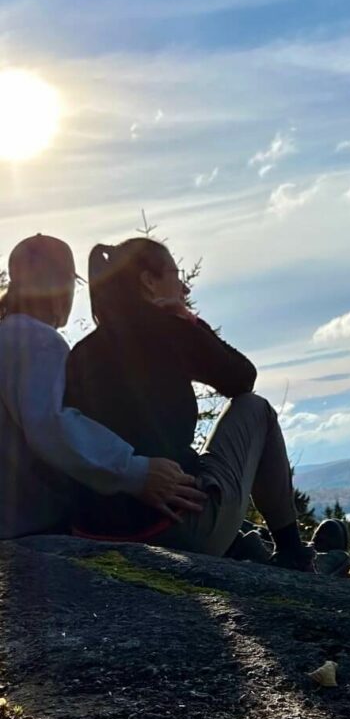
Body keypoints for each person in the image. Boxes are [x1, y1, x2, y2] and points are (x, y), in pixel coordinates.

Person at [65, 237, 313, 570]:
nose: (183, 286)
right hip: (171, 530)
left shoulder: (81, 353)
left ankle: (245, 545)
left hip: (92, 533)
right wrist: (190, 322)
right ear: (148, 281)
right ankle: (293, 555)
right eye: (174, 273)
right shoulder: (168, 329)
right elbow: (242, 378)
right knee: (256, 409)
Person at [0, 234, 205, 539]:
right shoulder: (35, 339)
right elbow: (51, 424)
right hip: (34, 525)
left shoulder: (11, 335)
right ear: (59, 284)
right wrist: (136, 472)